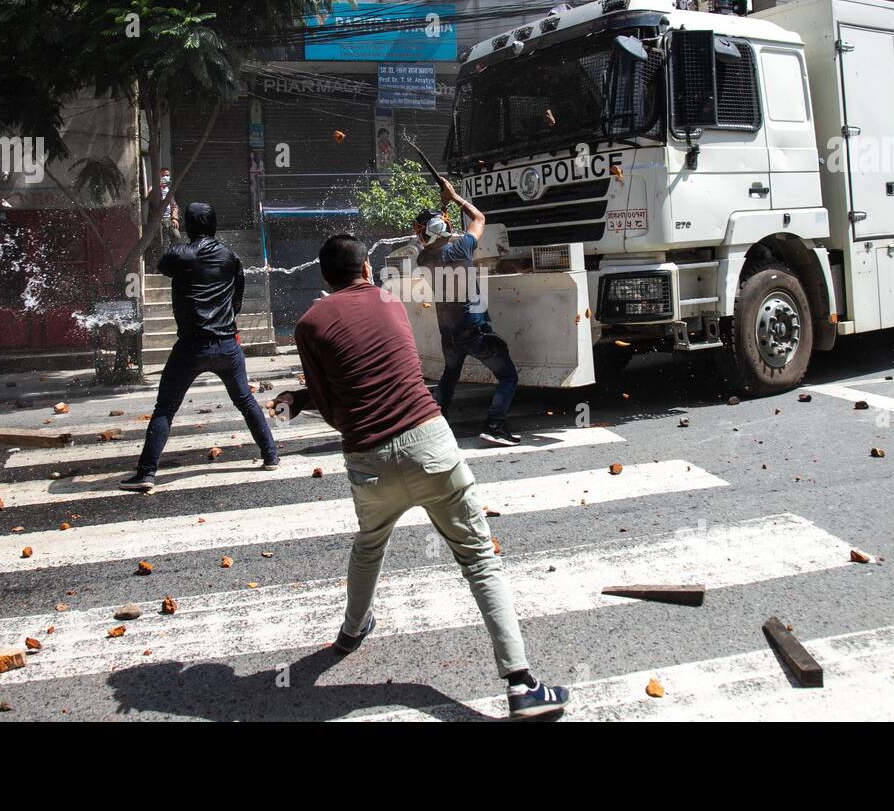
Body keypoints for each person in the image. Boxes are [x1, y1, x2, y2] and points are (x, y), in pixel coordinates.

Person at [271, 234, 568, 719]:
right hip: (430, 444)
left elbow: (335, 408)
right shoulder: (390, 302)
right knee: (478, 560)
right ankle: (521, 685)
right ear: (366, 268)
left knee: (370, 543)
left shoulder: (309, 324)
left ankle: (351, 630)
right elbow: (387, 368)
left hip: (369, 461)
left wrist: (297, 399)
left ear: (323, 277)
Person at [121, 201, 278, 490]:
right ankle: (270, 455)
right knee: (244, 400)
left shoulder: (182, 254)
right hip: (227, 344)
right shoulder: (231, 258)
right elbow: (237, 301)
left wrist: (176, 235)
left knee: (166, 408)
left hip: (191, 347)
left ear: (192, 225)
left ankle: (146, 474)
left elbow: (162, 263)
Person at [415, 175, 521, 446]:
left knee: (450, 374)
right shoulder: (462, 248)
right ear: (445, 229)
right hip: (474, 330)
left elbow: (438, 239)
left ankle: (436, 424)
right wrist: (454, 197)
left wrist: (443, 209)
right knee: (508, 376)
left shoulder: (424, 258)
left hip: (449, 332)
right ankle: (494, 425)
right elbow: (479, 219)